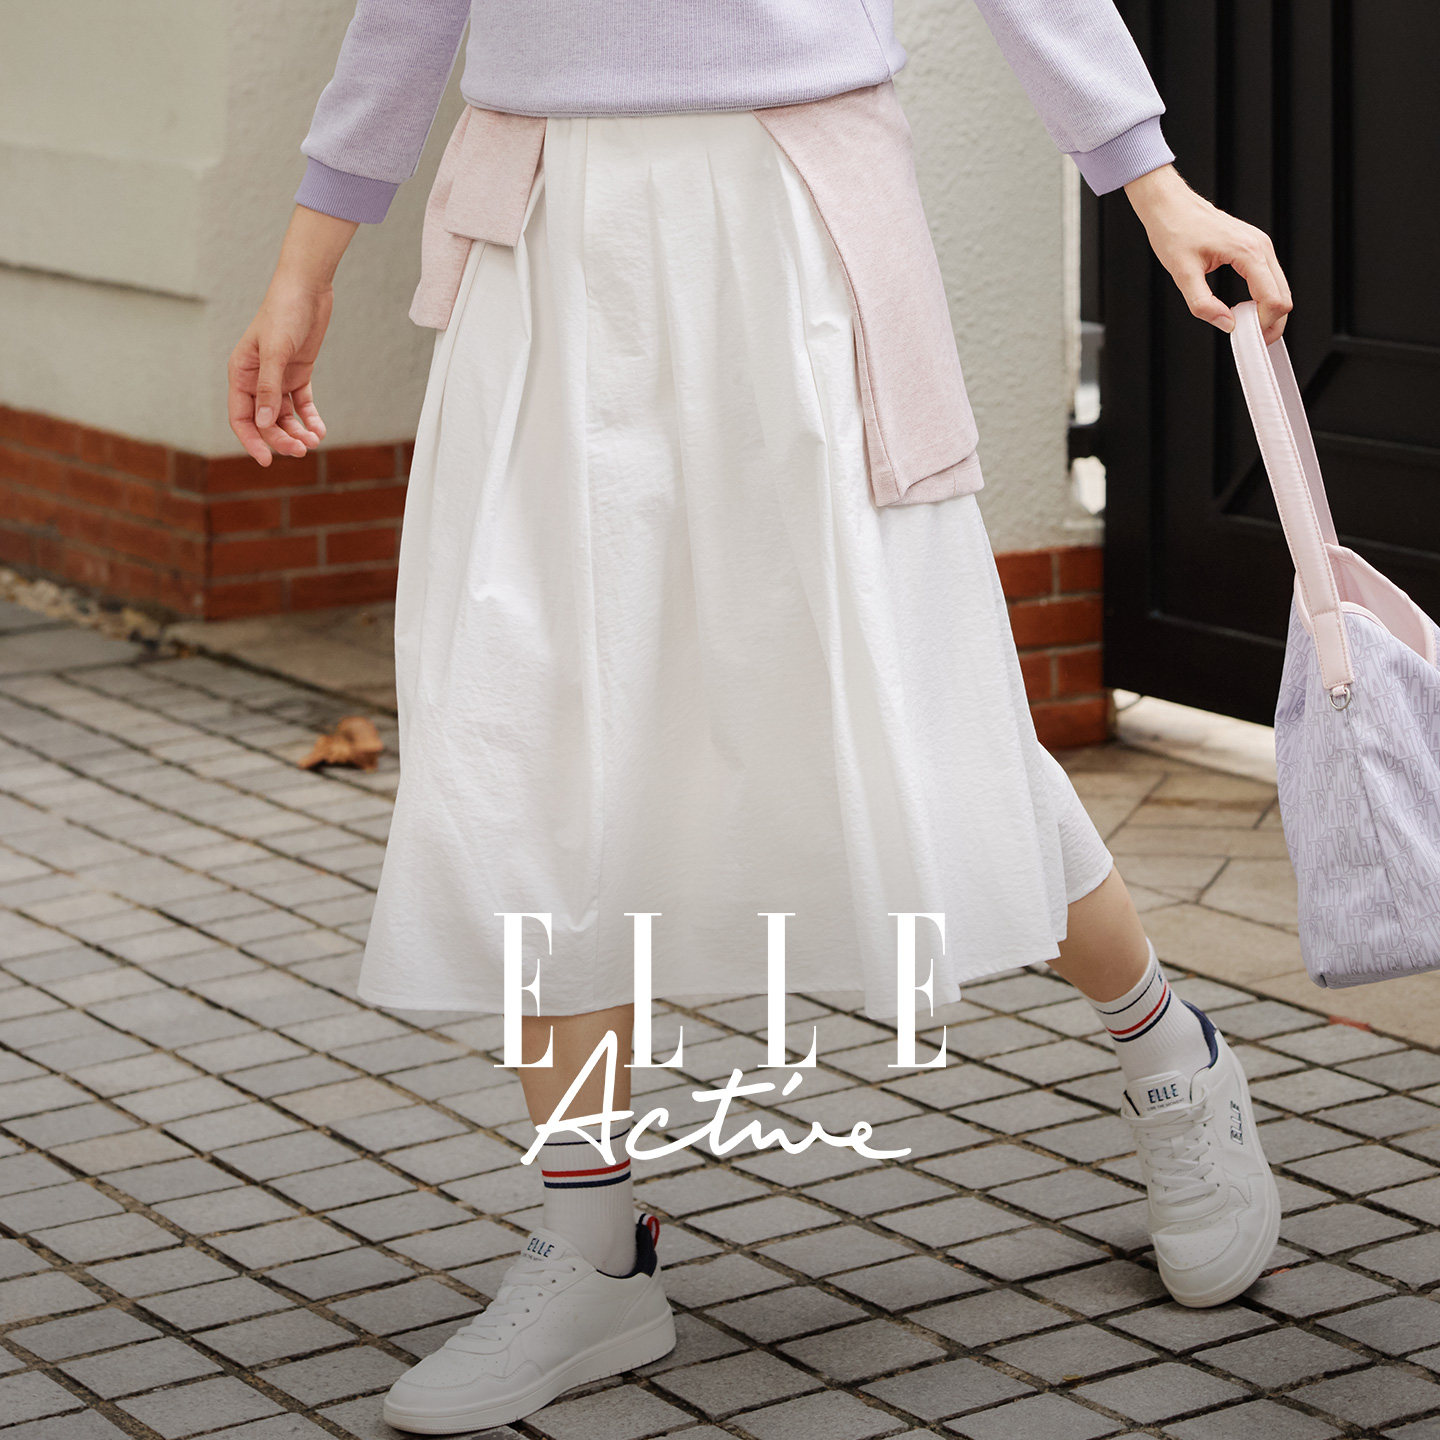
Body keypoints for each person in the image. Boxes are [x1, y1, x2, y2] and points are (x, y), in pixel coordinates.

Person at [227, 2, 1295, 1432]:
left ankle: (1170, 1054)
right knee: (537, 730)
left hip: (799, 224)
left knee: (917, 719)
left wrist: (1148, 178)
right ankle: (593, 1244)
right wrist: (307, 258)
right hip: (544, 227)